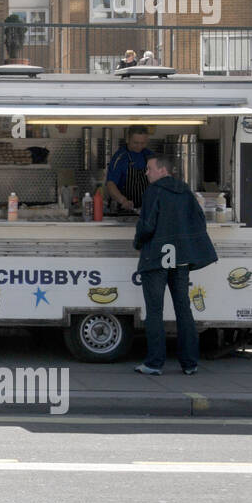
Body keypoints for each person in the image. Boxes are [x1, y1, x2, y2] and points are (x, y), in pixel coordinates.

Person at [132, 152, 217, 375]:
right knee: (183, 309)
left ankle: (154, 363)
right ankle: (190, 363)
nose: (147, 173)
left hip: (156, 258)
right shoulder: (186, 192)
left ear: (162, 170)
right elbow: (200, 222)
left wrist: (138, 242)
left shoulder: (154, 191)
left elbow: (147, 225)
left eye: (149, 169)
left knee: (154, 311)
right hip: (180, 259)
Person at [104, 125, 153, 212]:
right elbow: (110, 184)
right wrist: (123, 200)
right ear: (127, 140)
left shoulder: (150, 155)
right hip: (124, 211)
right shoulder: (120, 158)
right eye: (136, 143)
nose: (139, 146)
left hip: (146, 210)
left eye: (143, 143)